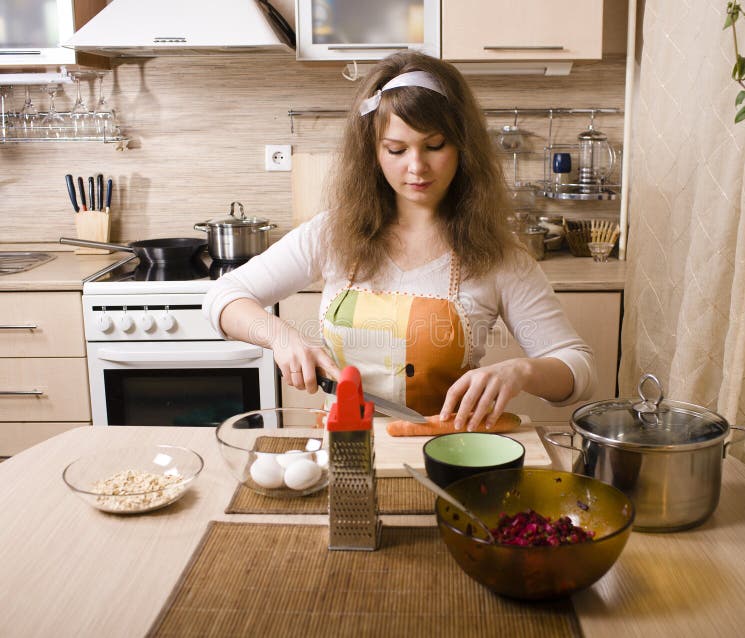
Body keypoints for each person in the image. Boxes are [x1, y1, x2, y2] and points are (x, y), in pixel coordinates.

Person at [203, 51, 596, 432]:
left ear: (463, 147)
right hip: (344, 446)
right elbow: (222, 297)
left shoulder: (499, 255)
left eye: (434, 145)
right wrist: (281, 336)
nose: (416, 167)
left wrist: (522, 371)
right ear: (373, 153)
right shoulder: (331, 232)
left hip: (448, 451)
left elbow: (579, 368)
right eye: (396, 149)